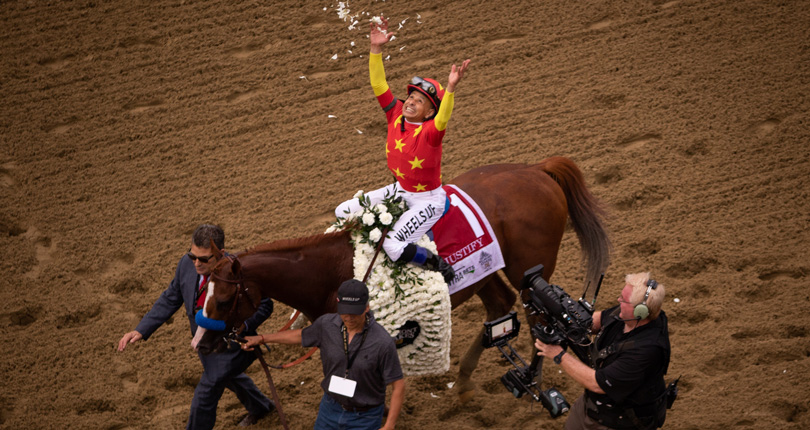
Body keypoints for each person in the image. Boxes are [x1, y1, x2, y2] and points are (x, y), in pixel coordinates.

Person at [334, 16, 471, 284]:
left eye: (420, 102)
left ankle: (436, 264)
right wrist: (375, 50)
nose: (410, 102)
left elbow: (444, 117)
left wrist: (451, 88)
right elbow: (378, 85)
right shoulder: (395, 113)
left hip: (427, 201)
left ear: (430, 111)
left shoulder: (432, 132)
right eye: (411, 96)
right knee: (342, 211)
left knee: (394, 246)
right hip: (400, 190)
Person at [117, 224, 275, 429]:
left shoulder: (240, 271)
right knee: (225, 377)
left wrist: (244, 325)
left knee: (206, 392)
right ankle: (261, 407)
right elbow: (172, 296)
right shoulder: (186, 264)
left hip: (232, 347)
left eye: (203, 259)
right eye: (193, 256)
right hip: (205, 344)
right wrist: (141, 329)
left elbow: (265, 305)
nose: (196, 263)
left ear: (221, 253)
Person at [242, 279, 405, 430]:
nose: (348, 317)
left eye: (354, 312)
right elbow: (300, 335)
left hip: (365, 417)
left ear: (367, 307)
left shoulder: (382, 342)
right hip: (330, 408)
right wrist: (263, 338)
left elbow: (398, 385)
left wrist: (390, 424)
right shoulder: (327, 325)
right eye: (344, 311)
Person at [535, 272, 671, 430]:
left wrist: (558, 354)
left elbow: (597, 383)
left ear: (640, 312)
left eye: (623, 300)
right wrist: (566, 314)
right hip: (591, 406)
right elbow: (595, 321)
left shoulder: (647, 351)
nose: (619, 300)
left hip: (618, 422)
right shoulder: (628, 315)